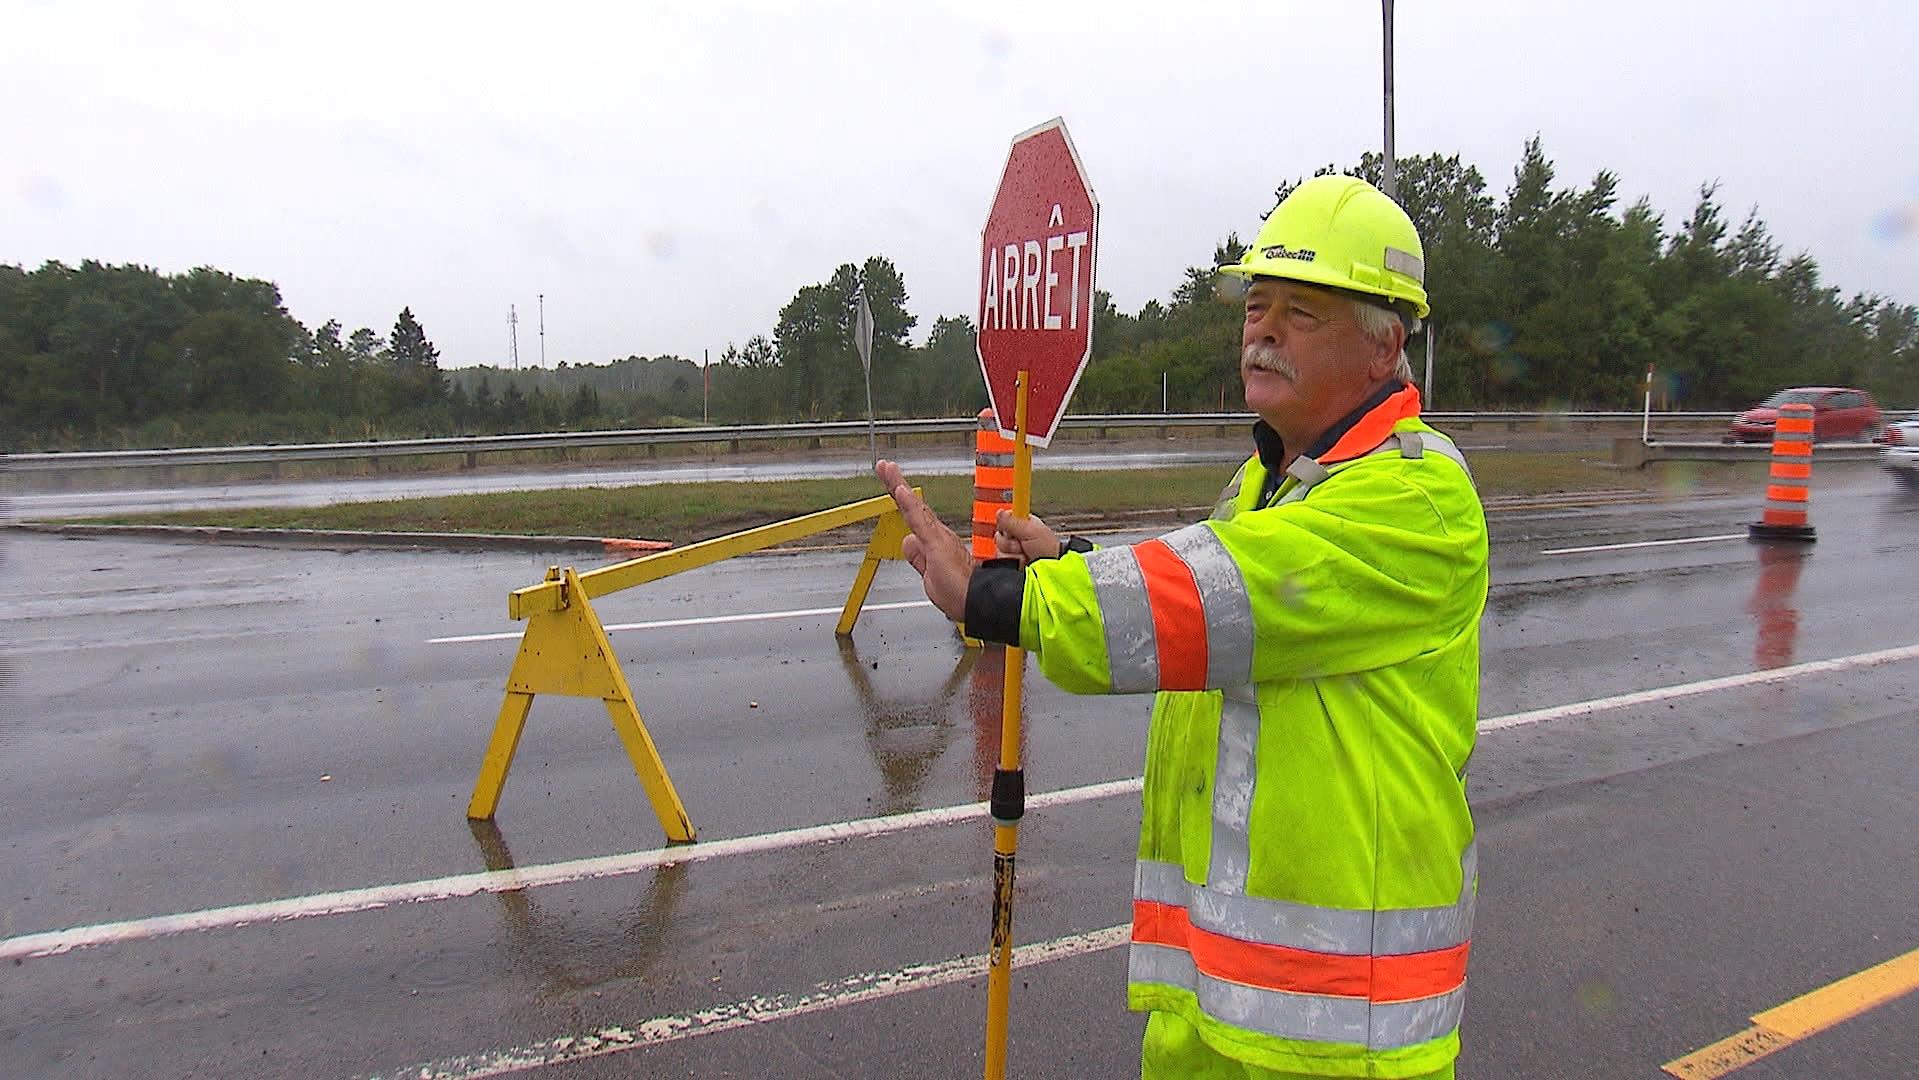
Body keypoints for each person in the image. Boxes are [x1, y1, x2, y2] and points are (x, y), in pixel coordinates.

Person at [876, 174, 1488, 1080]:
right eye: (1256, 307)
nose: (1263, 330)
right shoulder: (1275, 481)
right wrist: (1073, 561)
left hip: (1338, 1031)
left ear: (1383, 346)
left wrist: (996, 600)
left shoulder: (1414, 497)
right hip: (1220, 998)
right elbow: (1221, 609)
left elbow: (1218, 596)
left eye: (1301, 313)